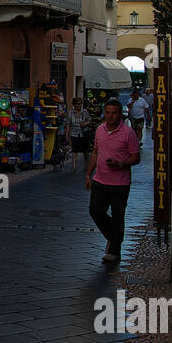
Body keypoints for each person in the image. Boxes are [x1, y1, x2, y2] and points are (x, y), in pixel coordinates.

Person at [85, 97, 141, 265]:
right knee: (95, 211)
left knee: (118, 216)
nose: (110, 116)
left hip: (120, 183)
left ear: (120, 115)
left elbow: (136, 157)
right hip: (100, 180)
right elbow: (95, 152)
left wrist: (121, 163)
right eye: (108, 113)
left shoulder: (128, 133)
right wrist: (89, 174)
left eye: (114, 113)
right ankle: (114, 238)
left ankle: (114, 252)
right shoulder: (99, 130)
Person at [65, 97, 92, 174]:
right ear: (74, 105)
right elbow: (68, 125)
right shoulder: (70, 113)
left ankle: (87, 165)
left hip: (84, 133)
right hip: (74, 133)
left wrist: (85, 124)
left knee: (85, 150)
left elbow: (89, 120)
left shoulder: (85, 112)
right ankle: (74, 166)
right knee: (74, 150)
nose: (79, 105)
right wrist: (67, 136)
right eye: (78, 104)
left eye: (80, 104)